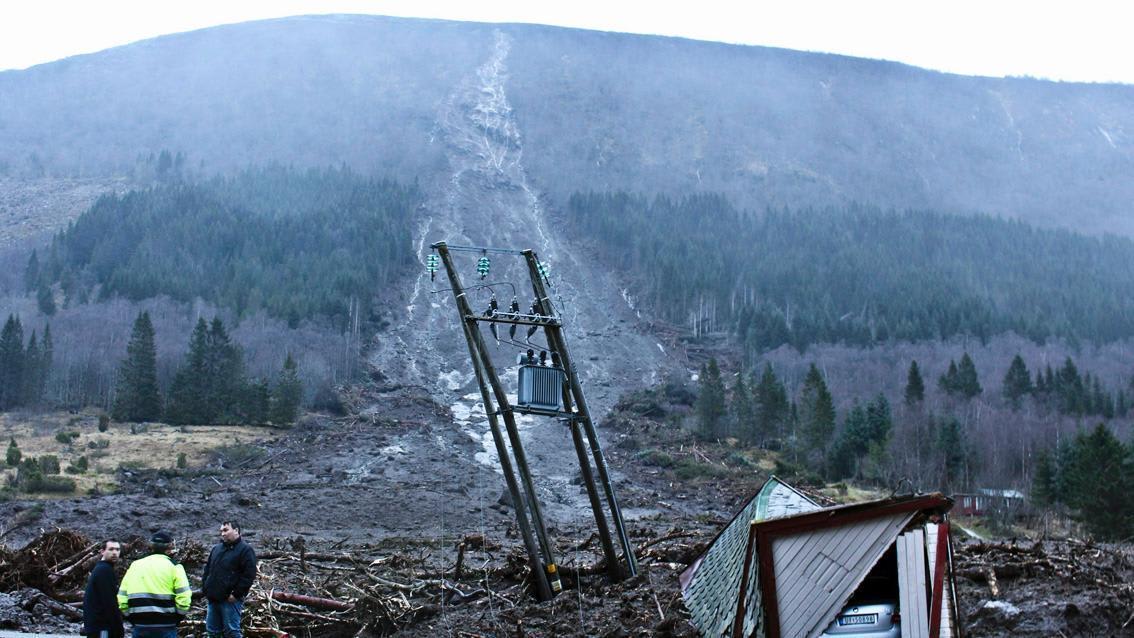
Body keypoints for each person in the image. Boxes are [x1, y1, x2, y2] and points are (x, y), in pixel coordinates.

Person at [117, 531, 190, 638]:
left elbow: (122, 596)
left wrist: (131, 617)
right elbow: (184, 597)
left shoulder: (135, 565)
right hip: (166, 626)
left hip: (140, 625)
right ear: (169, 548)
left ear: (151, 546)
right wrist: (177, 618)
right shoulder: (175, 567)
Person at [202, 520, 257, 638]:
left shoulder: (245, 550)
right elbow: (208, 569)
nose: (223, 534)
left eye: (226, 530)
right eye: (221, 531)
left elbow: (249, 574)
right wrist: (205, 588)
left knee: (232, 632)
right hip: (213, 598)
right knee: (212, 631)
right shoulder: (216, 549)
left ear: (236, 530)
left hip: (230, 600)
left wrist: (236, 594)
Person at [82, 539, 124, 638]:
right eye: (111, 549)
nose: (114, 553)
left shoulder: (102, 568)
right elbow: (109, 602)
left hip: (98, 626)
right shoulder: (104, 570)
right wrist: (118, 628)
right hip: (102, 627)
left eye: (117, 550)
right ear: (102, 552)